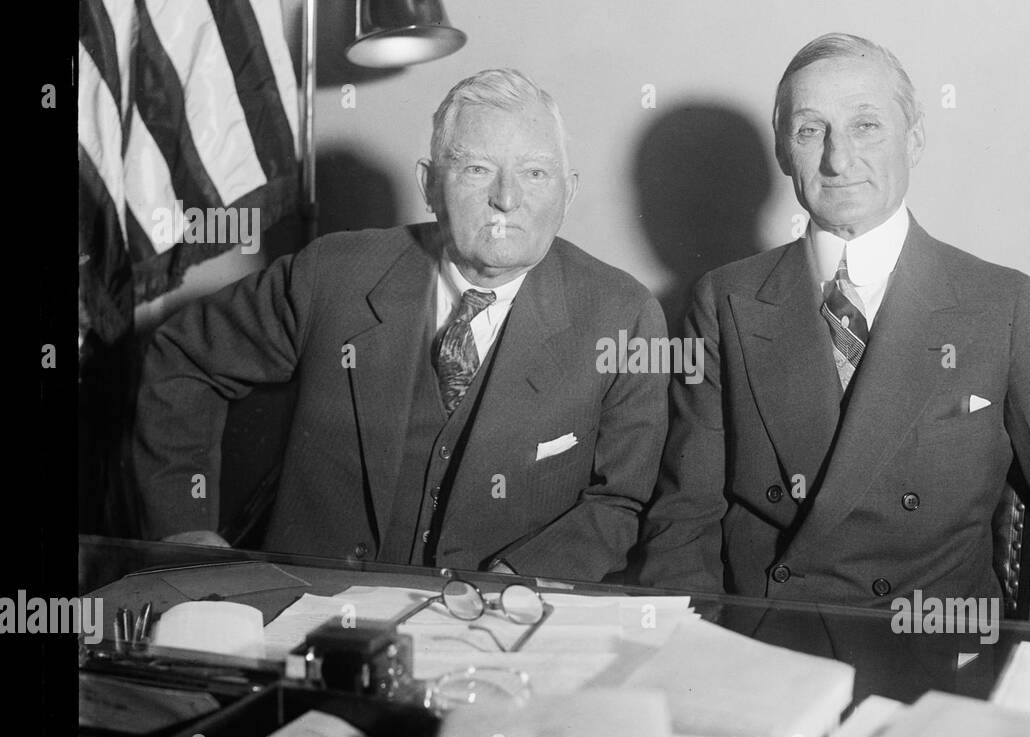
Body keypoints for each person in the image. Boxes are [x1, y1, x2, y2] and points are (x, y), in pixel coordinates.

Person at [641, 33, 1030, 629]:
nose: (838, 159)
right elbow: (684, 518)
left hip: (931, 658)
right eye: (810, 131)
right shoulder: (724, 300)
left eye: (865, 126)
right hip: (763, 653)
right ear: (783, 153)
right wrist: (689, 662)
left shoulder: (999, 306)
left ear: (913, 141)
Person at [134, 69, 668, 581]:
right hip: (313, 618)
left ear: (567, 192)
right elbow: (183, 358)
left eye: (535, 172)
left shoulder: (622, 316)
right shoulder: (334, 274)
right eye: (476, 169)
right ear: (429, 185)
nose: (507, 198)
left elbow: (619, 500)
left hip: (494, 633)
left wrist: (516, 580)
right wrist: (183, 524)